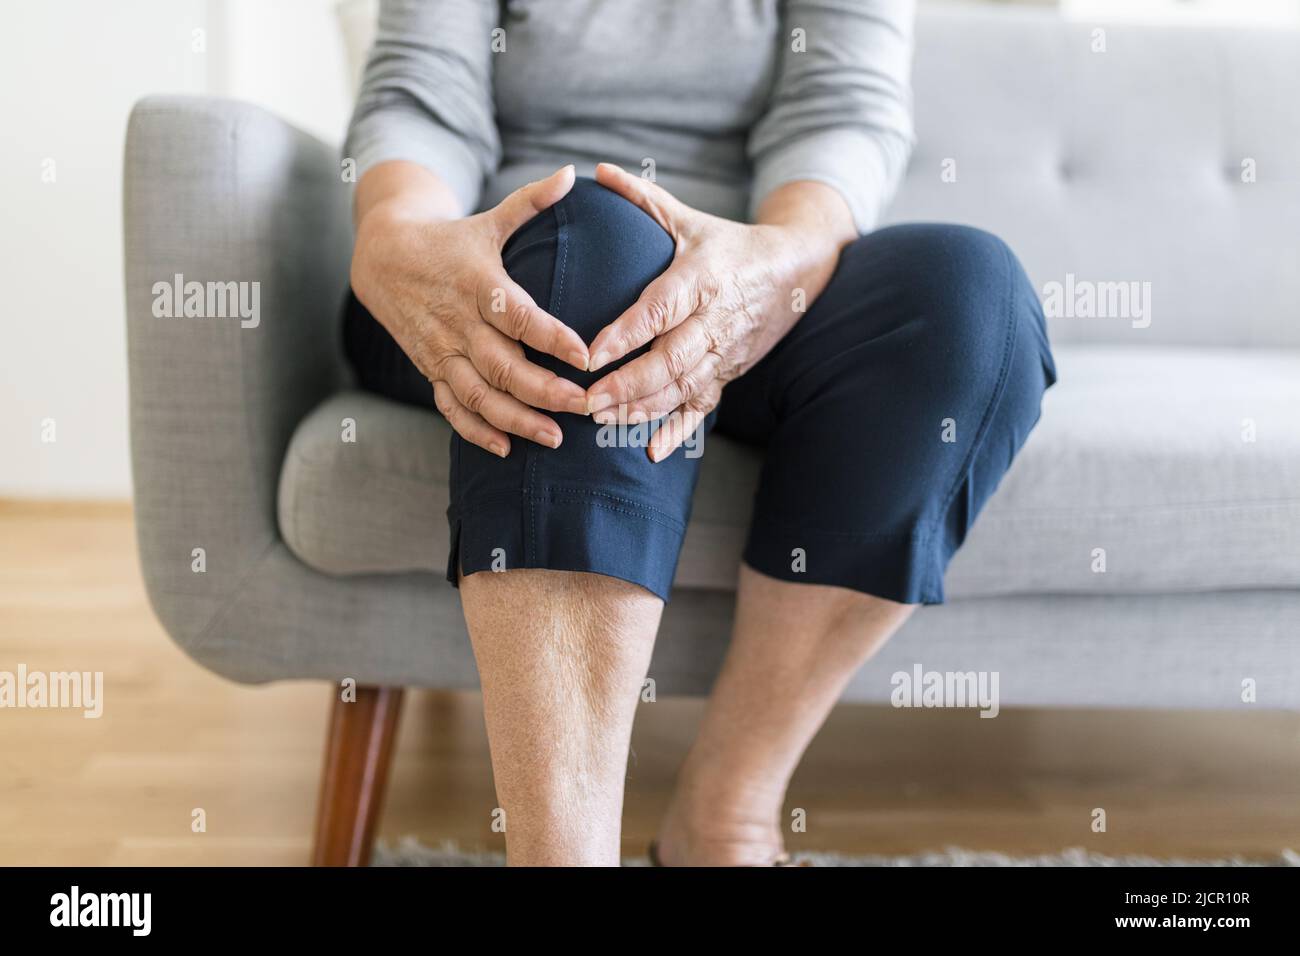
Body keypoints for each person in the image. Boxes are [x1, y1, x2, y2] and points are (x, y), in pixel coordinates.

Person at [342, 0, 1056, 866]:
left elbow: (838, 108)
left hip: (756, 273)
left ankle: (723, 823)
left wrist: (772, 264)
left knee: (966, 294)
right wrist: (394, 238)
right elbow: (424, 95)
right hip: (499, 293)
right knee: (601, 233)